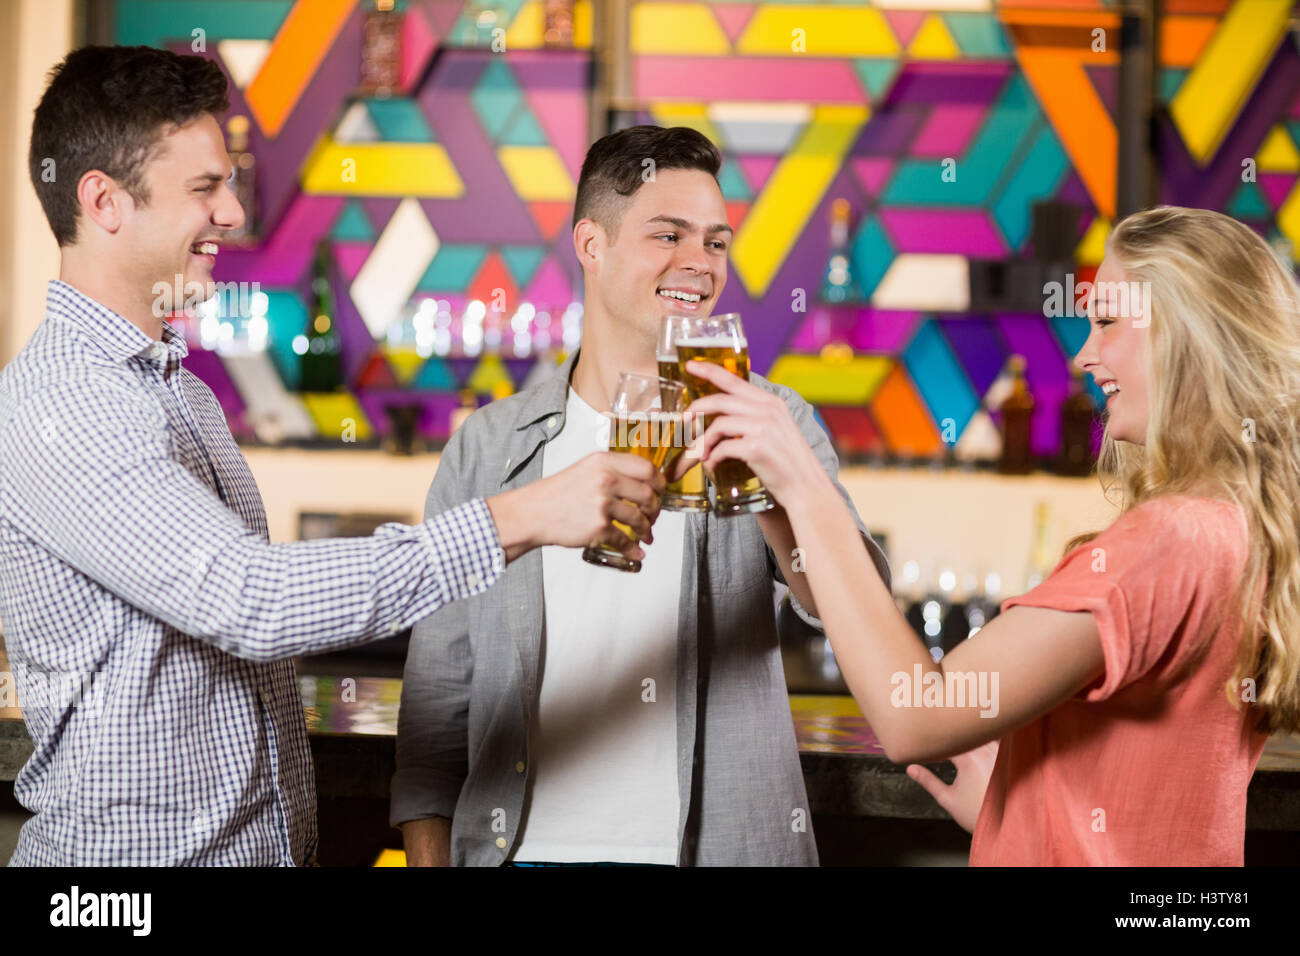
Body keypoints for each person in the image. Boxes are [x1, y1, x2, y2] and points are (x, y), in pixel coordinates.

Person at [0, 45, 662, 867]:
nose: (235, 213)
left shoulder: (181, 392)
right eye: (205, 188)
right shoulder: (63, 401)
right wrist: (522, 515)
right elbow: (252, 601)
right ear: (102, 201)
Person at [685, 205, 1300, 865]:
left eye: (1108, 320)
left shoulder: (1168, 536)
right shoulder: (1235, 529)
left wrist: (805, 483)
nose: (1086, 355)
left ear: (1188, 334)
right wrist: (1021, 815)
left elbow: (915, 714)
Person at [392, 125, 890, 867]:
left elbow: (856, 609)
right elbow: (439, 690)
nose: (700, 263)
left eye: (716, 243)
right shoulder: (489, 446)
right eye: (669, 235)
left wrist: (775, 484)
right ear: (592, 245)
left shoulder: (773, 421)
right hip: (520, 853)